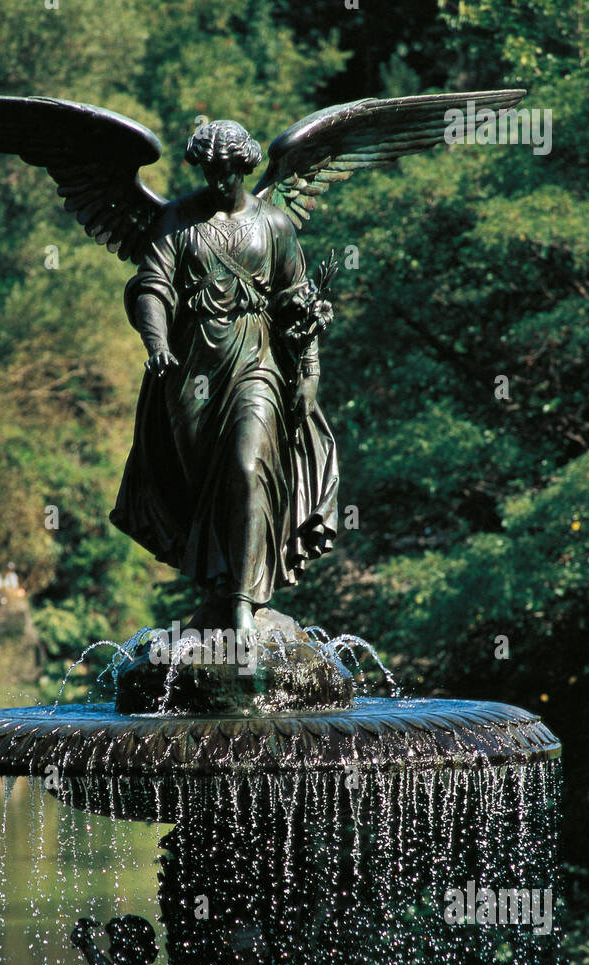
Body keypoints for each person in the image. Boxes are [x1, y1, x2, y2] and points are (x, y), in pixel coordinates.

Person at [111, 119, 339, 637]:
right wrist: (157, 344)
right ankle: (219, 586)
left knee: (246, 463)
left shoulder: (275, 225)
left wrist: (308, 371)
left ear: (244, 167)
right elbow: (151, 288)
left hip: (256, 361)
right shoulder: (175, 221)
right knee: (198, 487)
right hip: (190, 370)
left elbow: (297, 303)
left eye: (227, 171)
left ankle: (242, 599)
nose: (216, 180)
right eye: (208, 170)